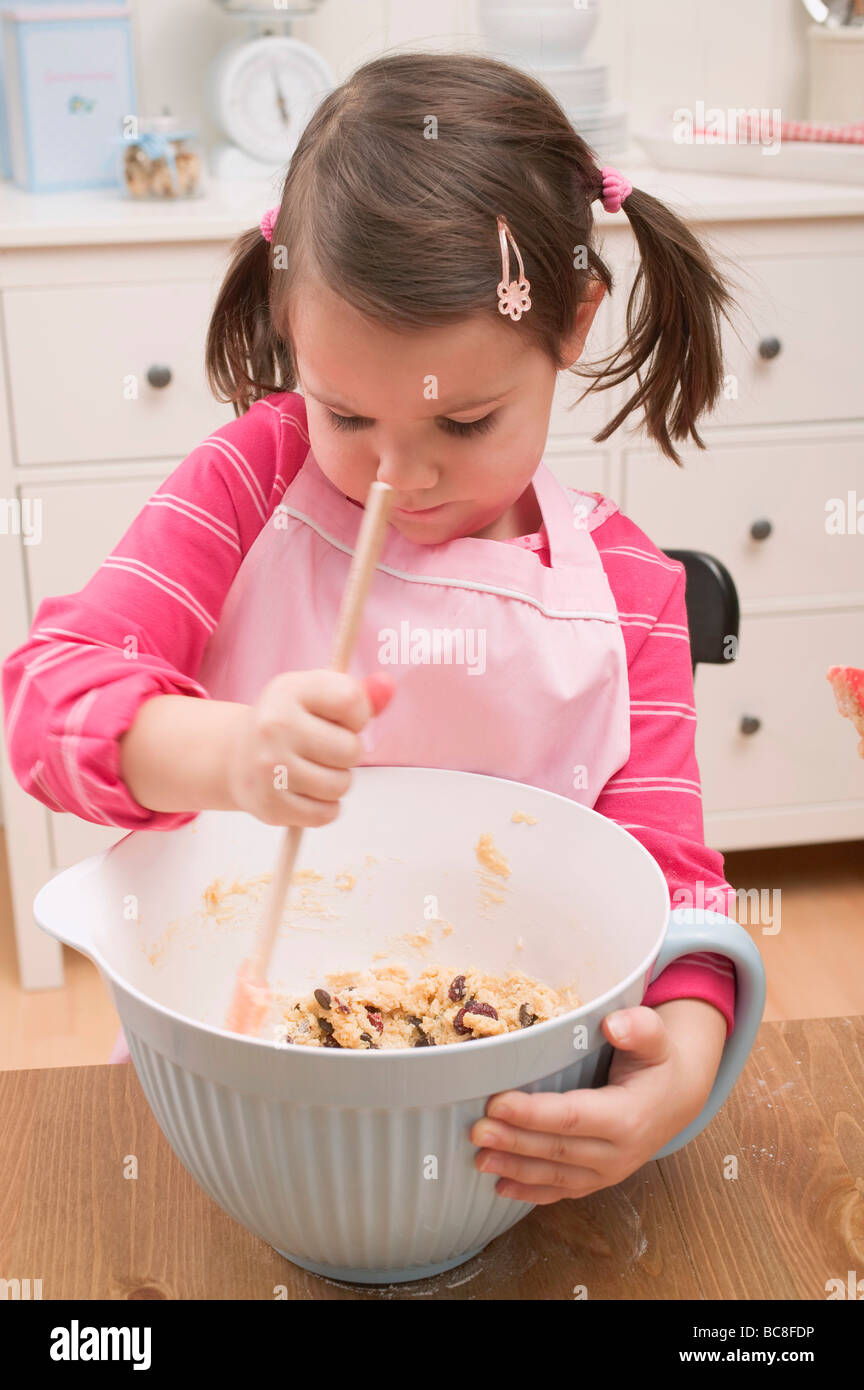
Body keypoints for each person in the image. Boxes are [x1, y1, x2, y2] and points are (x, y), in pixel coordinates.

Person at [3, 52, 745, 1207]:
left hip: (508, 1118)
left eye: (469, 420)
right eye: (346, 411)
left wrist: (678, 1078)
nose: (398, 473)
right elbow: (43, 703)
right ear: (291, 324)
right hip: (232, 1081)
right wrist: (230, 753)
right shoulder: (249, 486)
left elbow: (679, 890)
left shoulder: (630, 592)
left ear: (574, 324)